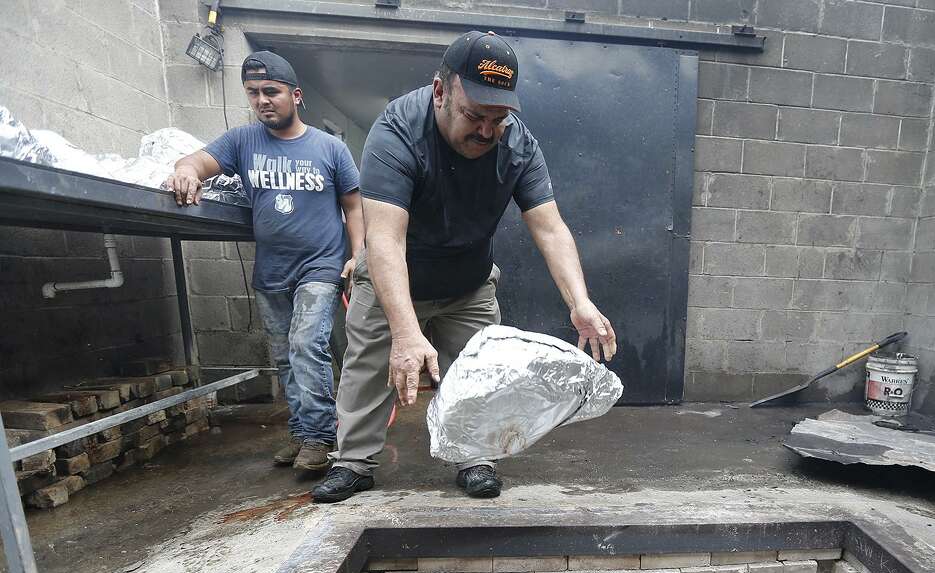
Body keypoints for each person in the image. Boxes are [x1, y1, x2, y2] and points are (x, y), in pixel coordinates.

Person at [312, 30, 616, 503]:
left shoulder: (518, 145)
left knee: (480, 373)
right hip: (396, 274)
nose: (487, 132)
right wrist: (405, 333)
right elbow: (385, 239)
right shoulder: (397, 132)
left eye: (499, 119)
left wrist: (580, 302)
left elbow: (550, 228)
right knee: (368, 369)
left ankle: (476, 457)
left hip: (468, 281)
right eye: (475, 116)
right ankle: (353, 461)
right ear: (441, 92)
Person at [168, 52, 364, 473]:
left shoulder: (330, 147)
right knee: (284, 357)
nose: (262, 100)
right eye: (253, 93)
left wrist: (357, 256)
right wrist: (185, 170)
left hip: (320, 266)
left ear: (296, 95)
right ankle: (301, 430)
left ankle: (320, 436)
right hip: (271, 272)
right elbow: (197, 161)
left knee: (306, 345)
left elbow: (354, 205)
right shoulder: (242, 141)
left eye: (271, 91)